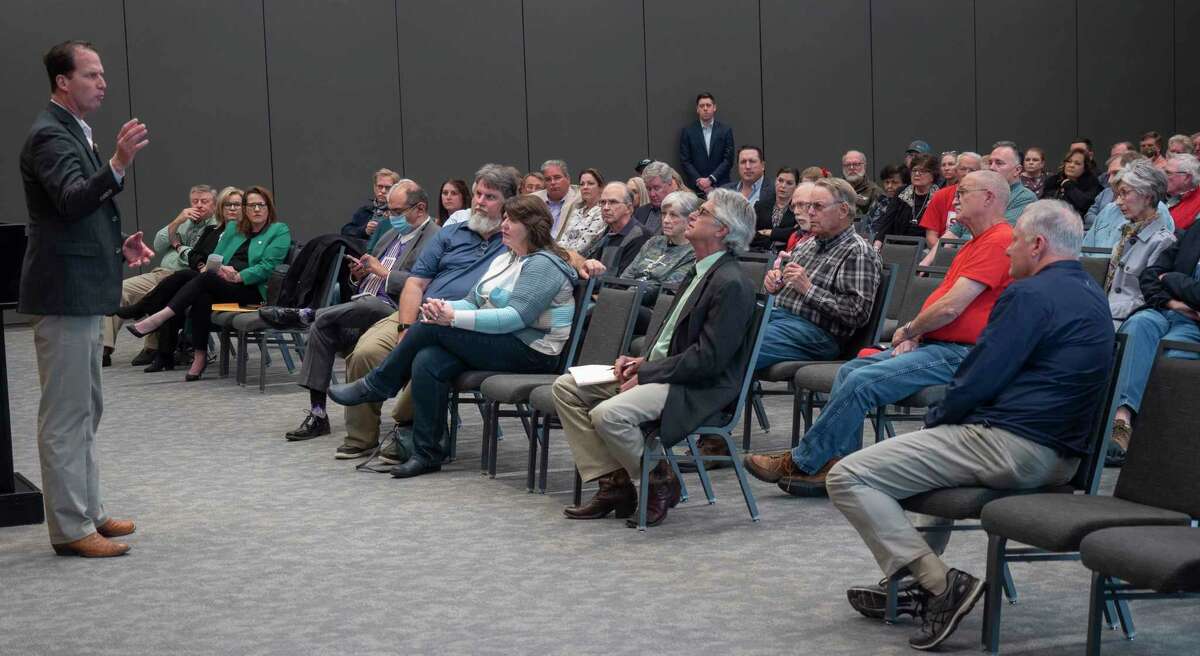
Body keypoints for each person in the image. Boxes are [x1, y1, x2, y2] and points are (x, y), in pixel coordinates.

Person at [827, 199, 1112, 651]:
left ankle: (939, 584)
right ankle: (919, 582)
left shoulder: (1029, 295)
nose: (1008, 250)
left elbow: (978, 378)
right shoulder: (1093, 294)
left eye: (1016, 242)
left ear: (1038, 245)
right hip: (1059, 454)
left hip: (1014, 446)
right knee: (938, 447)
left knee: (848, 476)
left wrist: (936, 421)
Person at [746, 171, 1015, 492]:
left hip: (963, 353)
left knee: (860, 382)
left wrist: (909, 330)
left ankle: (801, 461)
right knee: (850, 371)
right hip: (935, 344)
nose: (954, 200)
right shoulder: (973, 243)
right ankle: (837, 467)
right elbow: (943, 303)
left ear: (988, 198)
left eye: (963, 193)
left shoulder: (998, 240)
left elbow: (950, 308)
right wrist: (917, 335)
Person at [328, 195, 578, 478]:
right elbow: (472, 301)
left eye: (512, 220)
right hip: (503, 342)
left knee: (431, 328)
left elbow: (514, 318)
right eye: (505, 218)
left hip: (533, 352)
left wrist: (451, 318)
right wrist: (441, 307)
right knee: (428, 359)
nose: (504, 225)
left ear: (532, 227)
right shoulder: (507, 258)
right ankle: (427, 453)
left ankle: (377, 384)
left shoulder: (544, 265)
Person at [553, 188, 757, 527]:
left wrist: (648, 372)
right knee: (566, 388)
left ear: (722, 230)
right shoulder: (700, 270)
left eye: (703, 212)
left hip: (695, 388)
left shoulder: (731, 283)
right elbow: (673, 337)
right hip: (667, 372)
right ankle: (615, 484)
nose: (694, 215)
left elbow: (708, 360)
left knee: (609, 414)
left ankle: (659, 479)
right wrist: (641, 360)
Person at [19, 40, 150, 558]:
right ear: (62, 81)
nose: (102, 83)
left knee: (86, 409)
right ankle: (71, 528)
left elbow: (75, 215)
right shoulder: (49, 134)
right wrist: (117, 163)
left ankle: (88, 511)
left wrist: (115, 246)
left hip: (82, 288)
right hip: (64, 294)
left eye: (102, 74)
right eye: (91, 75)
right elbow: (72, 201)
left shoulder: (72, 129)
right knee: (66, 415)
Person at [331, 163, 515, 460]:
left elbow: (557, 251)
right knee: (366, 352)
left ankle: (405, 433)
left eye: (490, 197)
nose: (480, 202)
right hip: (416, 313)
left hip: (465, 323)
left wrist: (584, 262)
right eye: (478, 194)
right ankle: (361, 438)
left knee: (424, 362)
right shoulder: (451, 233)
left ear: (508, 203)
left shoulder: (514, 239)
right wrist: (405, 328)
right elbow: (415, 284)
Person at [257, 181, 440, 441]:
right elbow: (367, 279)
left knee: (370, 304)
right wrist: (359, 276)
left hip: (395, 314)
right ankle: (318, 414)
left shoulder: (435, 238)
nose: (391, 217)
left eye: (397, 211)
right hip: (362, 310)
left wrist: (382, 272)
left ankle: (309, 314)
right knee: (323, 329)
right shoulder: (390, 235)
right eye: (389, 210)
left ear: (420, 208)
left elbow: (426, 284)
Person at [121, 186, 291, 381]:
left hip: (253, 292)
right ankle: (199, 355)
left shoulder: (279, 230)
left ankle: (154, 315)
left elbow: (268, 267)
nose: (257, 209)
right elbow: (215, 257)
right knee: (193, 284)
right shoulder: (235, 229)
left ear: (269, 207)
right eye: (251, 205)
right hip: (224, 284)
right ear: (245, 209)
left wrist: (238, 276)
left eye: (261, 205)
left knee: (204, 279)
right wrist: (221, 269)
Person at [756, 178, 881, 370]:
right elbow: (784, 286)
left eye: (818, 206)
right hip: (779, 317)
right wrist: (774, 285)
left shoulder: (858, 251)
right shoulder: (807, 244)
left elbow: (856, 313)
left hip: (816, 334)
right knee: (722, 327)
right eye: (809, 206)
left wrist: (808, 289)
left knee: (740, 343)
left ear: (843, 210)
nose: (810, 212)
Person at [101, 184, 218, 369]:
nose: (199, 205)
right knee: (117, 290)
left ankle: (152, 347)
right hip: (160, 272)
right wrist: (176, 222)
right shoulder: (184, 220)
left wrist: (178, 246)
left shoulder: (216, 226)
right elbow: (158, 244)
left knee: (160, 294)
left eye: (204, 201)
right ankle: (104, 348)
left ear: (215, 204)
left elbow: (197, 258)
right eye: (195, 201)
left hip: (186, 279)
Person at [1102, 160, 1176, 325]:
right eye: (1118, 195)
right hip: (1106, 315)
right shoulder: (1124, 233)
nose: (1118, 201)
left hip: (1128, 321)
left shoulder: (1163, 241)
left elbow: (1149, 299)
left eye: (1125, 193)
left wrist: (1103, 309)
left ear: (1147, 197)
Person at [621, 190, 699, 290]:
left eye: (673, 215)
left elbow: (667, 290)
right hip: (627, 295)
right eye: (663, 214)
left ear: (690, 219)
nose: (666, 220)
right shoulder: (653, 242)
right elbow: (626, 277)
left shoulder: (693, 253)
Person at [918, 152, 983, 260]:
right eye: (963, 169)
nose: (967, 173)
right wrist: (945, 256)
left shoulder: (986, 198)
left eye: (972, 170)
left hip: (975, 255)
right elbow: (931, 236)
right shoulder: (940, 195)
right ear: (956, 171)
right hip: (942, 253)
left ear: (981, 172)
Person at [578, 182, 650, 277]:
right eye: (603, 202)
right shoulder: (608, 233)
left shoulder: (640, 236)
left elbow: (624, 280)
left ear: (629, 208)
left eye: (613, 202)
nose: (606, 208)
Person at [873, 152, 939, 245]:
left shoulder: (939, 196)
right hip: (897, 245)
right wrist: (878, 243)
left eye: (922, 171)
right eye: (914, 170)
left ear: (933, 175)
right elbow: (887, 221)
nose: (917, 174)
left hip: (925, 247)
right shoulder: (901, 192)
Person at [678, 92, 735, 194]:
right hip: (696, 188)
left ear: (714, 107)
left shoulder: (725, 131)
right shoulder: (688, 131)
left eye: (708, 105)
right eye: (702, 106)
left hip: (721, 185)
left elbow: (728, 160)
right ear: (697, 109)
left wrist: (711, 179)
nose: (705, 108)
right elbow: (685, 161)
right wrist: (700, 181)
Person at [1083, 151, 1146, 234]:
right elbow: (1089, 216)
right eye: (1109, 175)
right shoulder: (1108, 202)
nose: (1110, 180)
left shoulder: (1153, 209)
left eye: (1116, 173)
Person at [556, 168, 606, 252]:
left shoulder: (602, 212)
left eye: (590, 183)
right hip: (563, 255)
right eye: (582, 184)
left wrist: (559, 253)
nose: (585, 187)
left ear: (600, 188)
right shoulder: (577, 211)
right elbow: (564, 239)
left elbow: (583, 246)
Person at [341, 168, 399, 241]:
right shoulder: (365, 210)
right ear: (374, 187)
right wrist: (365, 231)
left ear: (395, 189)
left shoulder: (400, 211)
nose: (383, 191)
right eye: (380, 186)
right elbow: (345, 231)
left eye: (388, 188)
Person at [1043, 148, 1102, 216]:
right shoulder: (1053, 181)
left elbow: (1085, 204)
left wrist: (1069, 186)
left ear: (1085, 168)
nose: (1071, 165)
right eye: (1069, 161)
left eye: (1077, 163)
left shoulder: (1092, 184)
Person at [751, 166, 799, 250]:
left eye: (789, 183)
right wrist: (772, 244)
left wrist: (768, 232)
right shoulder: (760, 206)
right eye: (780, 180)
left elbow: (798, 234)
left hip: (788, 254)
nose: (783, 186)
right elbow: (750, 234)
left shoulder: (799, 209)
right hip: (760, 253)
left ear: (796, 186)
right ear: (775, 181)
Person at [532, 159, 580, 238]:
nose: (553, 182)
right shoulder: (533, 200)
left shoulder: (580, 197)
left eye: (557, 178)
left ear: (568, 178)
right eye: (548, 179)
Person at [632, 161, 679, 236]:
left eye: (657, 188)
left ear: (669, 183)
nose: (652, 194)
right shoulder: (640, 212)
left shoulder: (683, 210)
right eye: (649, 189)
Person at [865, 163, 907, 238]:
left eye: (894, 182)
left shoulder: (907, 204)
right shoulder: (880, 200)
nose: (889, 186)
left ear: (905, 184)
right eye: (887, 182)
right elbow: (868, 223)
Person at [1165, 153, 1200, 230]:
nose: (1163, 176)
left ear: (1187, 178)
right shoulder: (1161, 194)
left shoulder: (1197, 206)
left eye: (1168, 173)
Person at [842, 150, 882, 216]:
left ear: (864, 166)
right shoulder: (836, 190)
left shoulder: (875, 192)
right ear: (843, 167)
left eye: (856, 164)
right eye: (848, 165)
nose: (851, 168)